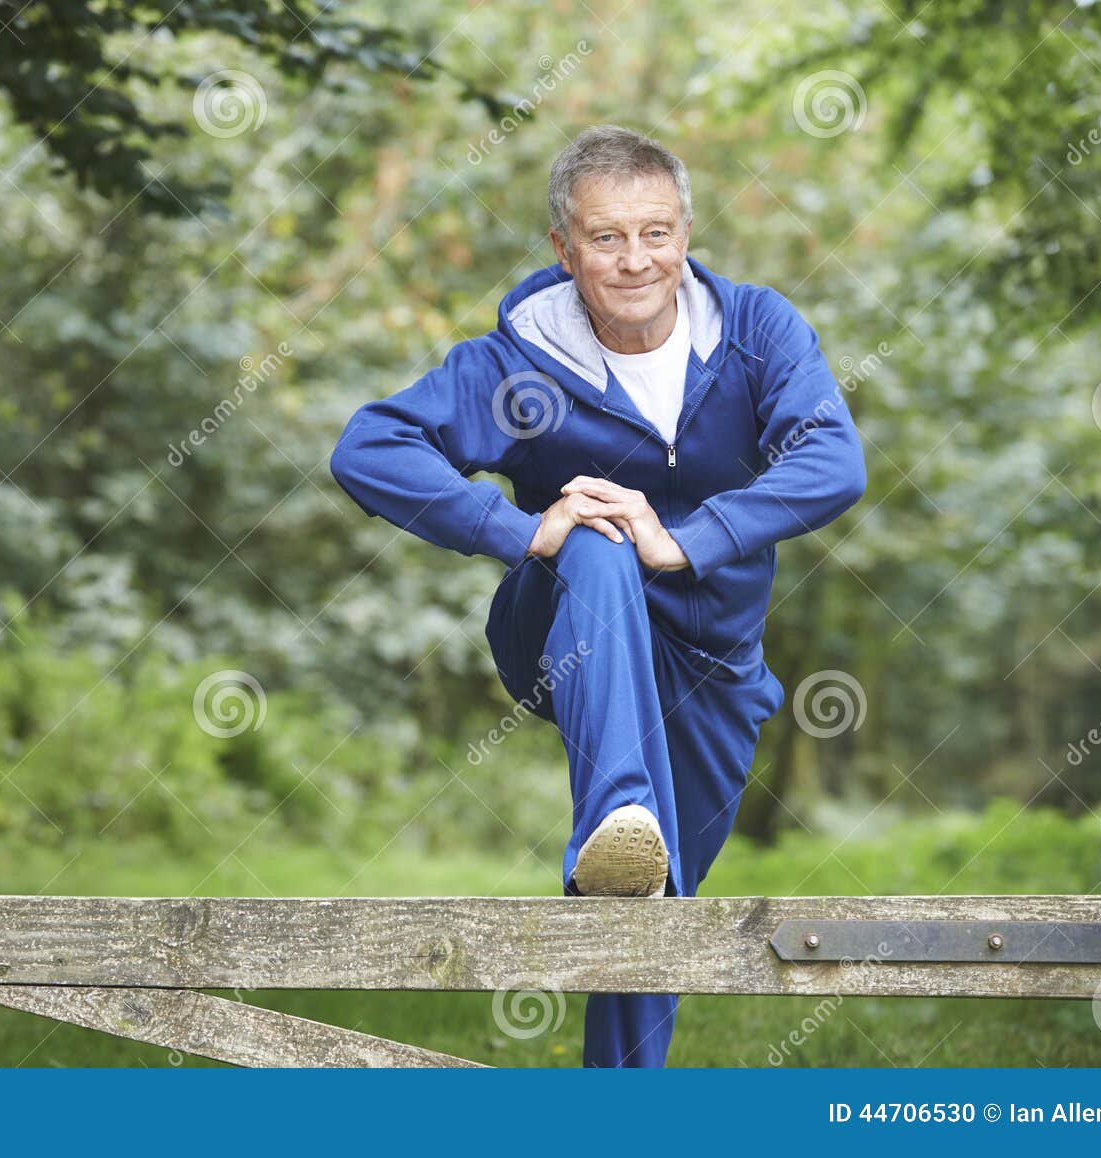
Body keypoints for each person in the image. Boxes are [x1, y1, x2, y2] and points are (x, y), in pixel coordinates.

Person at [328, 124, 867, 1066]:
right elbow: (369, 447)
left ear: (687, 233)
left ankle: (619, 1100)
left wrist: (688, 538)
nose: (634, 260)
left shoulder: (756, 333)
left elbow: (833, 458)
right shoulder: (517, 367)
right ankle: (619, 804)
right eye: (606, 238)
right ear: (563, 250)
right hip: (566, 628)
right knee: (599, 532)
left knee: (646, 920)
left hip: (713, 663)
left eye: (655, 233)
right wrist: (519, 528)